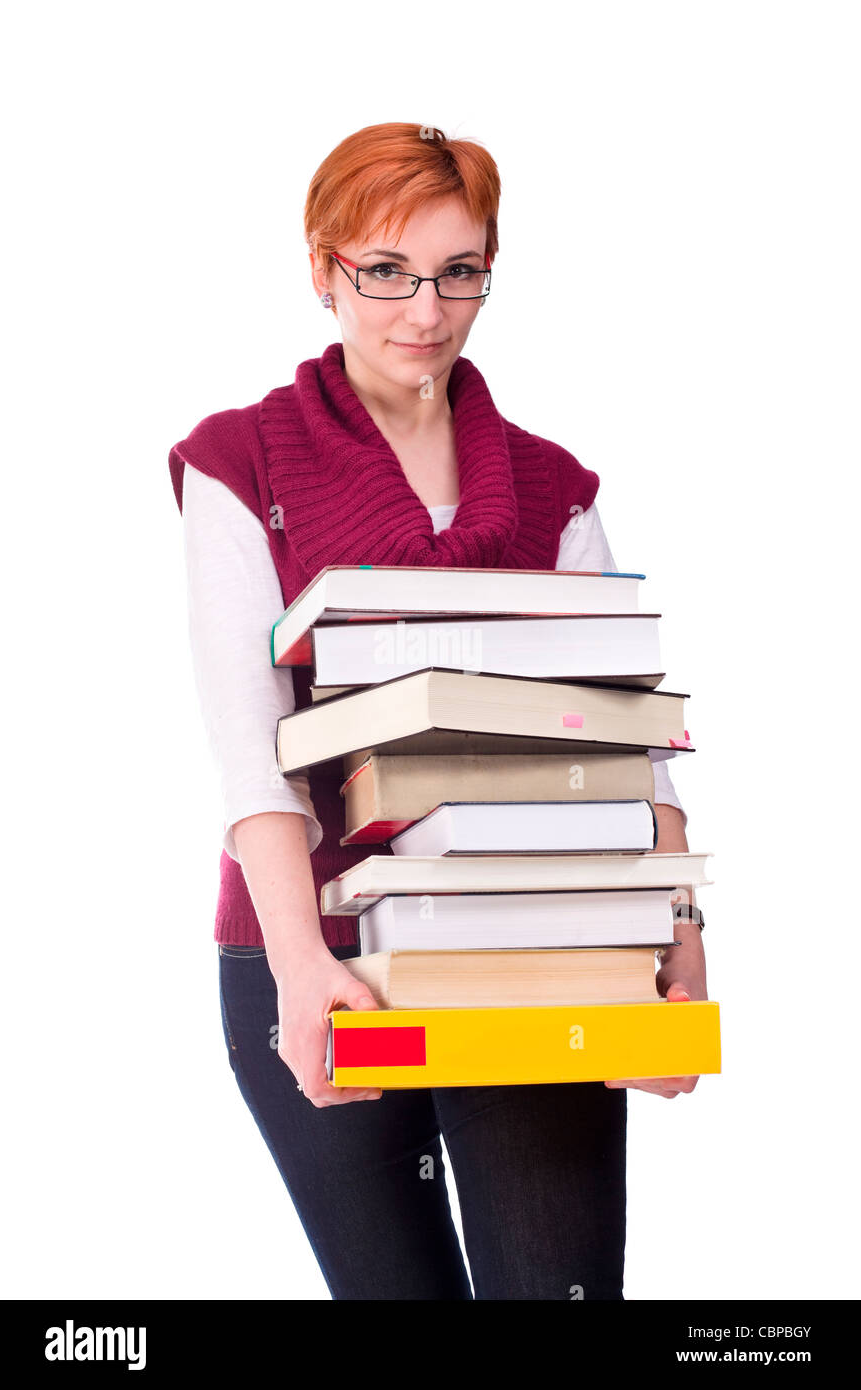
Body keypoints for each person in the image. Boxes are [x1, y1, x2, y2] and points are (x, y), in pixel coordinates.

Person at [168, 122, 707, 1301]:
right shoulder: (236, 465)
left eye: (460, 271)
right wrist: (304, 968)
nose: (425, 308)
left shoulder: (552, 484)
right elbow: (250, 751)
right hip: (305, 943)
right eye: (386, 271)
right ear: (323, 269)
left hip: (535, 941)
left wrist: (674, 933)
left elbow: (623, 733)